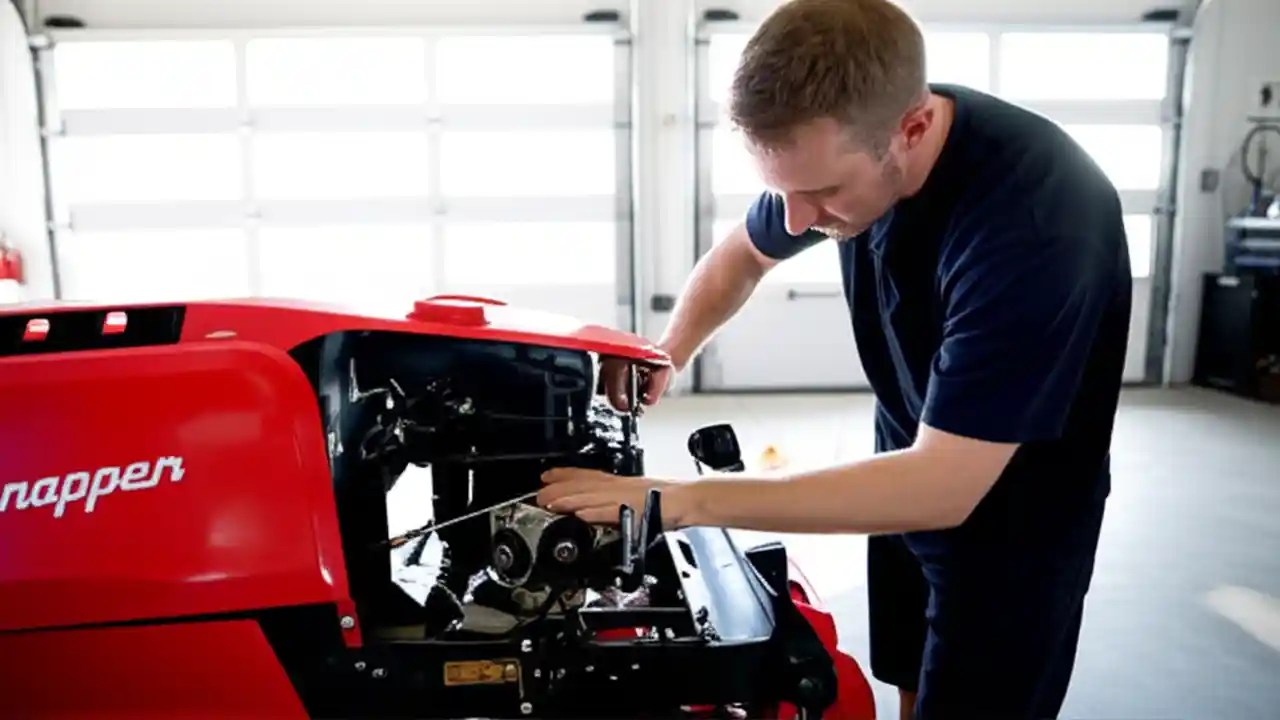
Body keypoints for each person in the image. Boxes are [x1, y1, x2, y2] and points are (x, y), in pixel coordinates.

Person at [538, 0, 1132, 717]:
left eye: (819, 194)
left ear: (911, 129)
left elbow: (943, 489)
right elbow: (741, 256)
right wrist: (670, 349)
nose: (794, 220)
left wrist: (678, 502)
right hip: (906, 455)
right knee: (911, 679)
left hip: (1009, 519)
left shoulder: (1036, 226)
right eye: (780, 190)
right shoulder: (843, 157)